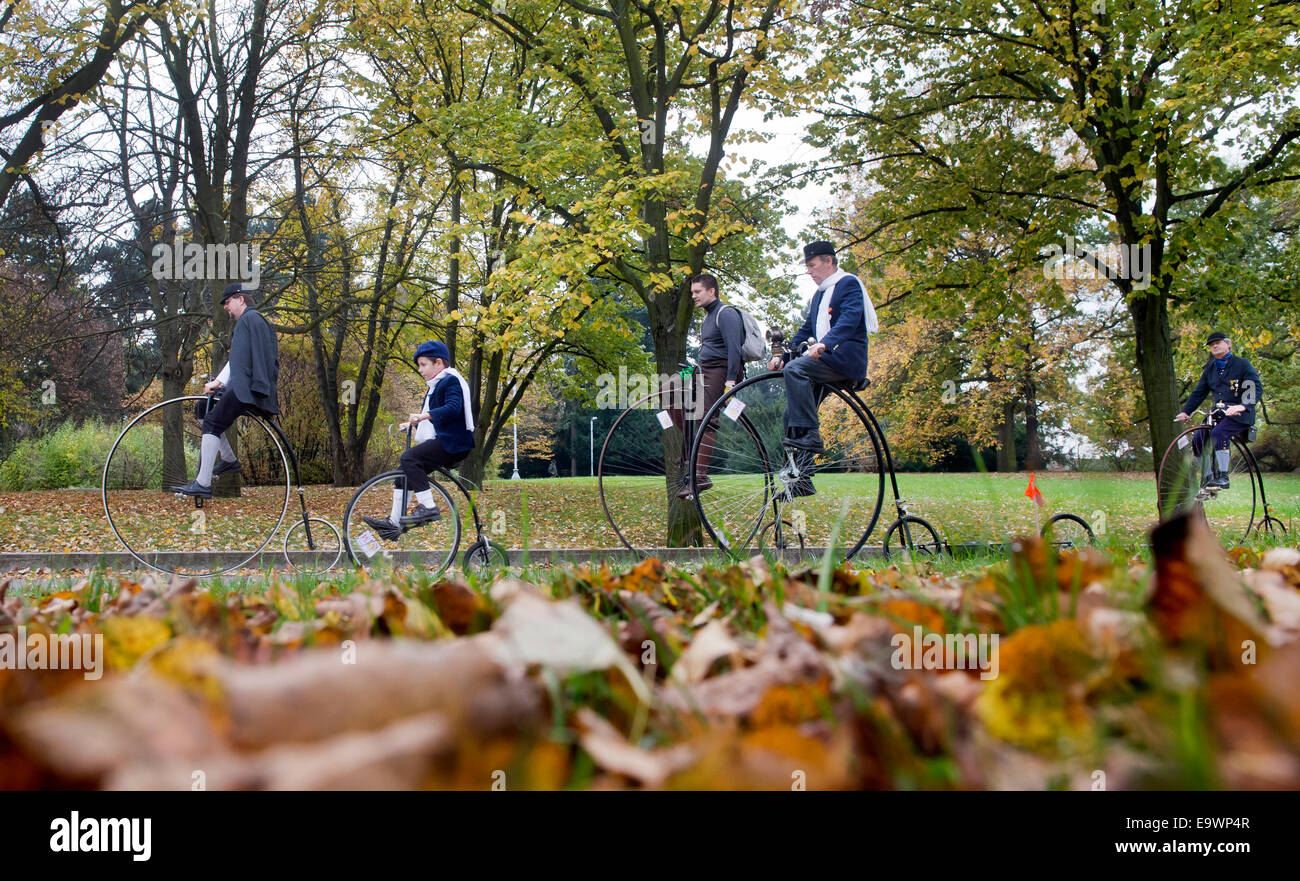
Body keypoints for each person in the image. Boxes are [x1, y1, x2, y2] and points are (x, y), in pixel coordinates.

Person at [765, 241, 878, 496]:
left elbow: (849, 321)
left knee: (796, 370)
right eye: (807, 267)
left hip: (843, 360)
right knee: (789, 414)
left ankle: (812, 436)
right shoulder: (820, 294)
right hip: (825, 361)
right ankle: (802, 479)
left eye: (813, 266)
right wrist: (782, 355)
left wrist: (824, 344)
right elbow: (806, 331)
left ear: (829, 261)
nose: (810, 272)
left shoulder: (848, 284)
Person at [172, 282, 279, 498]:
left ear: (241, 299)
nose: (226, 308)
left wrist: (259, 390)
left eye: (227, 302)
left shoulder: (250, 320)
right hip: (248, 387)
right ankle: (229, 460)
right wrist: (219, 383)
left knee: (212, 423)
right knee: (203, 410)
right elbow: (239, 360)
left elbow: (258, 361)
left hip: (248, 389)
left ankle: (203, 483)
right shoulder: (253, 322)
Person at [362, 340, 475, 539]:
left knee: (409, 458)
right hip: (448, 441)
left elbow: (453, 408)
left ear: (438, 363)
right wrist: (413, 423)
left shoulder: (451, 381)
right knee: (401, 475)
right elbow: (437, 415)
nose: (420, 370)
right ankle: (393, 524)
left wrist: (424, 416)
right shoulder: (436, 385)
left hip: (455, 443)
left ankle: (428, 507)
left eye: (423, 365)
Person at [670, 273, 748, 499]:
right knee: (668, 394)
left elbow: (734, 349)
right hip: (704, 369)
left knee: (706, 416)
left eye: (697, 292)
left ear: (712, 291)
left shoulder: (726, 314)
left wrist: (730, 381)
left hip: (721, 371)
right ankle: (689, 449)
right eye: (692, 292)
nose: (693, 296)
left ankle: (701, 476)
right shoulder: (707, 318)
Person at [1175, 331, 1263, 489]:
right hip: (1218, 414)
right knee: (1198, 441)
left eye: (1218, 342)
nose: (1214, 346)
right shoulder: (1210, 368)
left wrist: (1242, 406)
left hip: (1240, 413)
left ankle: (1223, 476)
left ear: (1228, 344)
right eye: (1211, 345)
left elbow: (1254, 387)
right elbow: (1199, 392)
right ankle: (1208, 478)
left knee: (1218, 433)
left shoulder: (1242, 364)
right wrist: (1186, 411)